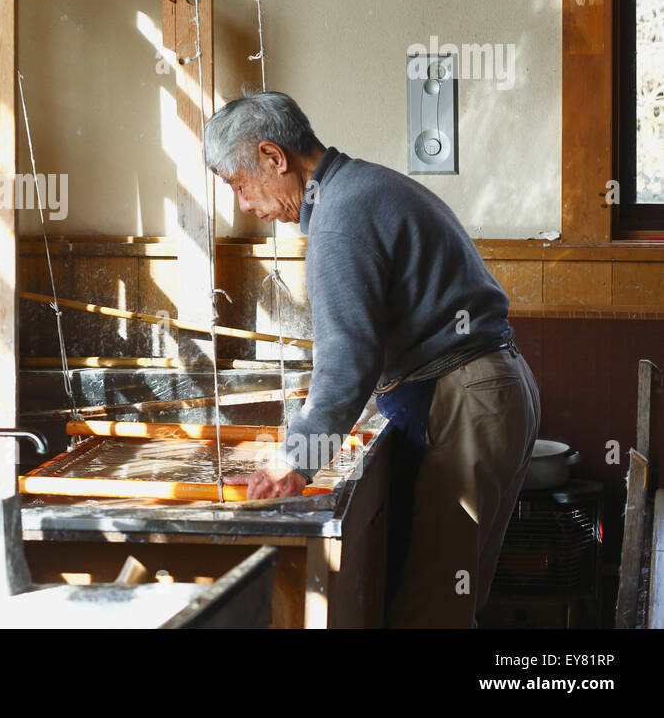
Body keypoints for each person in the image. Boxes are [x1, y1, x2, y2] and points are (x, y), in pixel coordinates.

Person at [203, 90, 540, 628]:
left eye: (240, 185)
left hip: (468, 398)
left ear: (274, 157)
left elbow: (345, 360)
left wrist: (297, 457)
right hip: (487, 389)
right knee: (450, 596)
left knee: (431, 612)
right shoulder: (359, 186)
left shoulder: (338, 217)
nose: (245, 205)